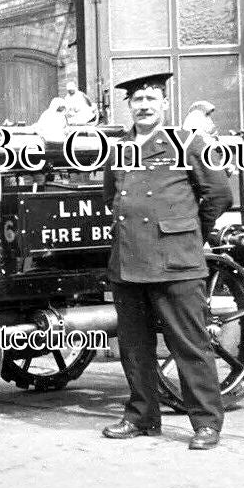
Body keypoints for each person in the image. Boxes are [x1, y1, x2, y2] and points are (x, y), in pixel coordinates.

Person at [101, 72, 233, 450]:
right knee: (134, 346)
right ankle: (142, 417)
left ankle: (207, 423)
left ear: (164, 103)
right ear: (129, 106)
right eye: (137, 99)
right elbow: (111, 196)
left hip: (175, 261)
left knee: (189, 344)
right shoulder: (119, 148)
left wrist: (187, 235)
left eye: (150, 99)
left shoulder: (188, 142)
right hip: (128, 260)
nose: (143, 105)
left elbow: (218, 194)